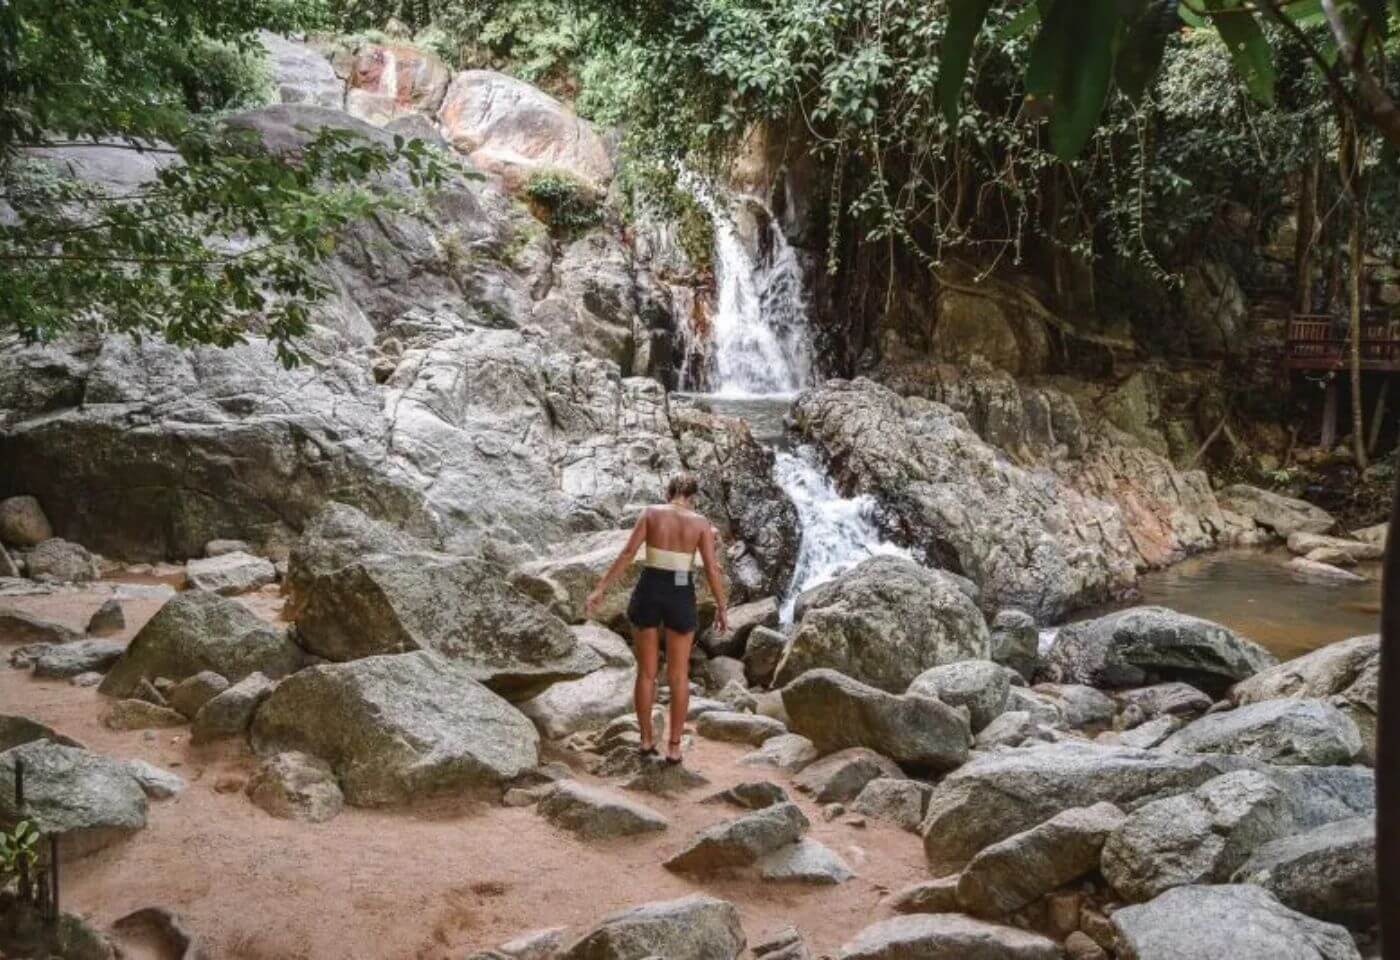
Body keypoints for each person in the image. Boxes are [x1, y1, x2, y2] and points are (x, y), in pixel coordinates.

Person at [585, 472, 728, 765]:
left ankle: (646, 740)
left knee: (647, 673)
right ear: (693, 497)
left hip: (649, 590)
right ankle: (674, 747)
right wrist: (721, 606)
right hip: (680, 593)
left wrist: (600, 588)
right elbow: (711, 569)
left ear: (668, 493)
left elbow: (628, 553)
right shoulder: (700, 523)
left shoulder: (650, 513)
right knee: (678, 675)